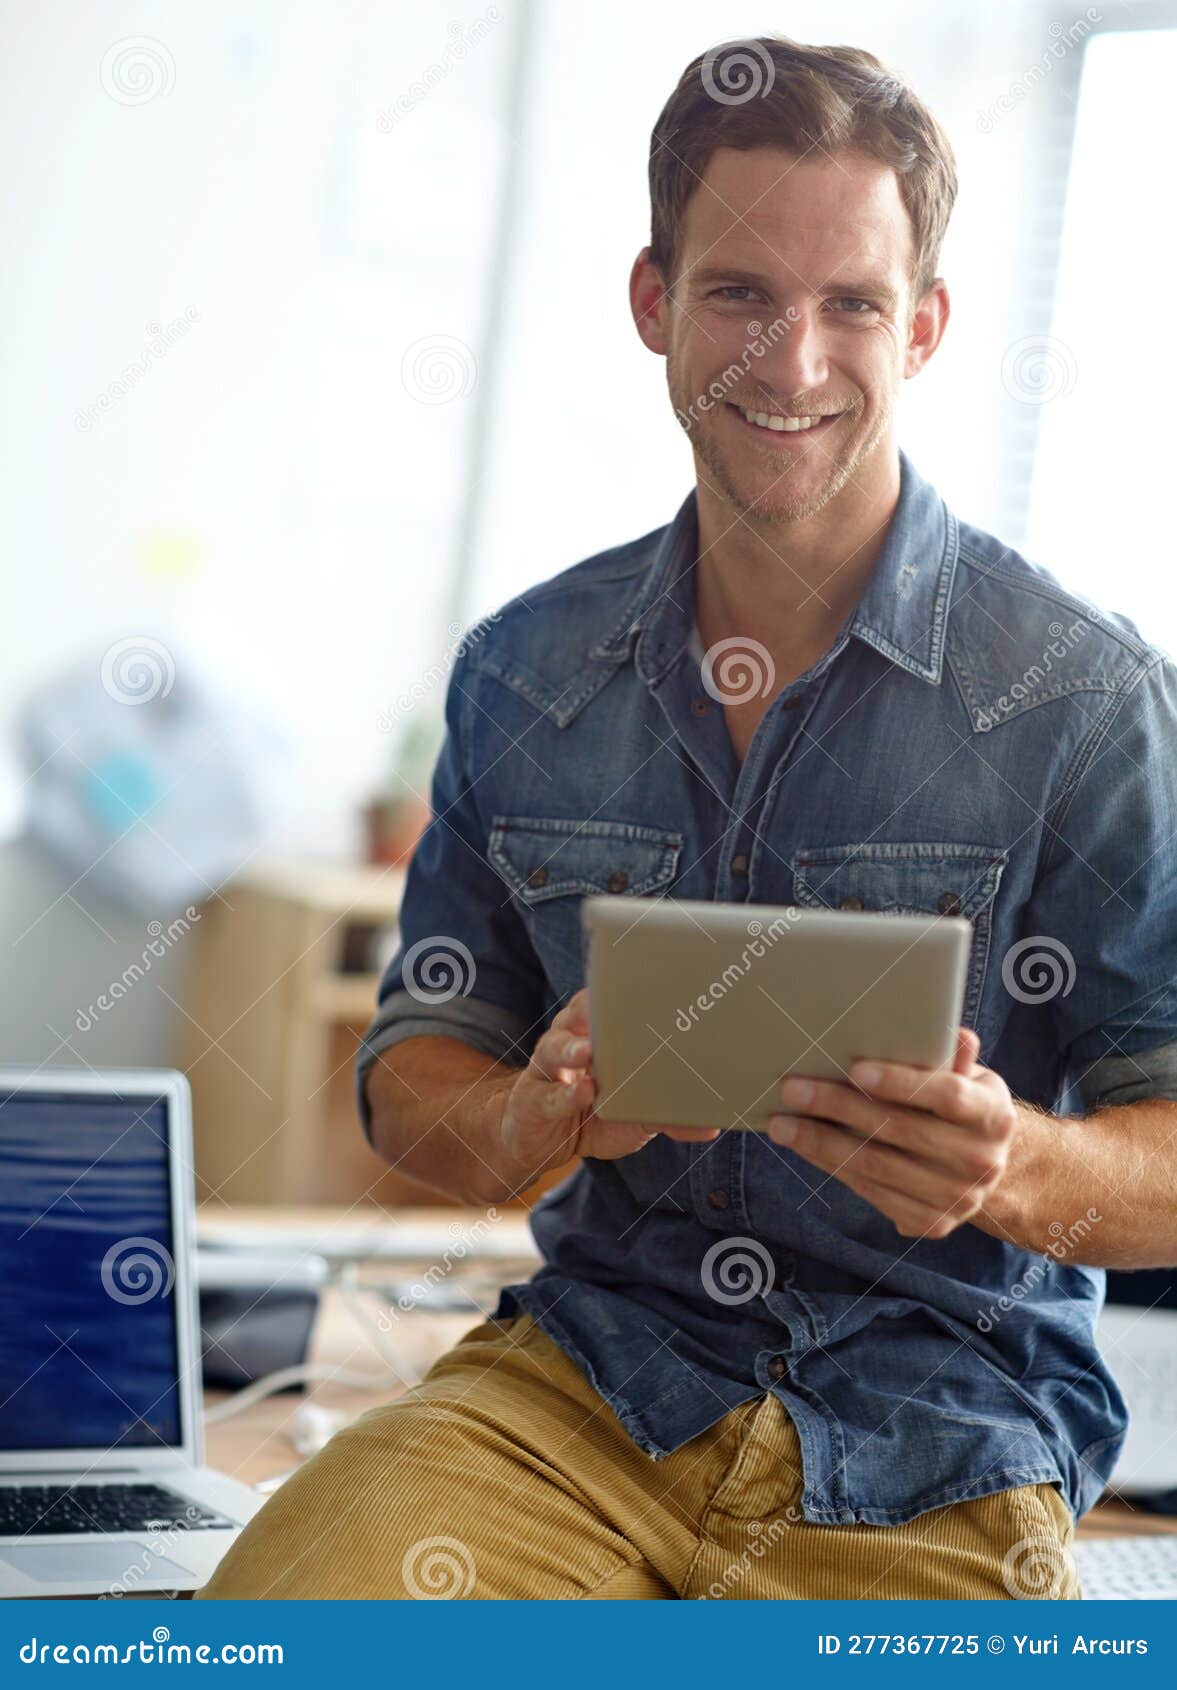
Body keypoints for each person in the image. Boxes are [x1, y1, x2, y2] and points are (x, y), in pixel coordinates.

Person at [201, 34, 1177, 1601]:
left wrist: (1009, 1168)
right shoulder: (525, 676)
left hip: (939, 1440)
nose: (788, 362)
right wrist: (521, 1122)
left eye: (849, 304)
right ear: (653, 302)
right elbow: (413, 1072)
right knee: (274, 1627)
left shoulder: (1076, 694)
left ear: (919, 328)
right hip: (582, 1401)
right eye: (737, 294)